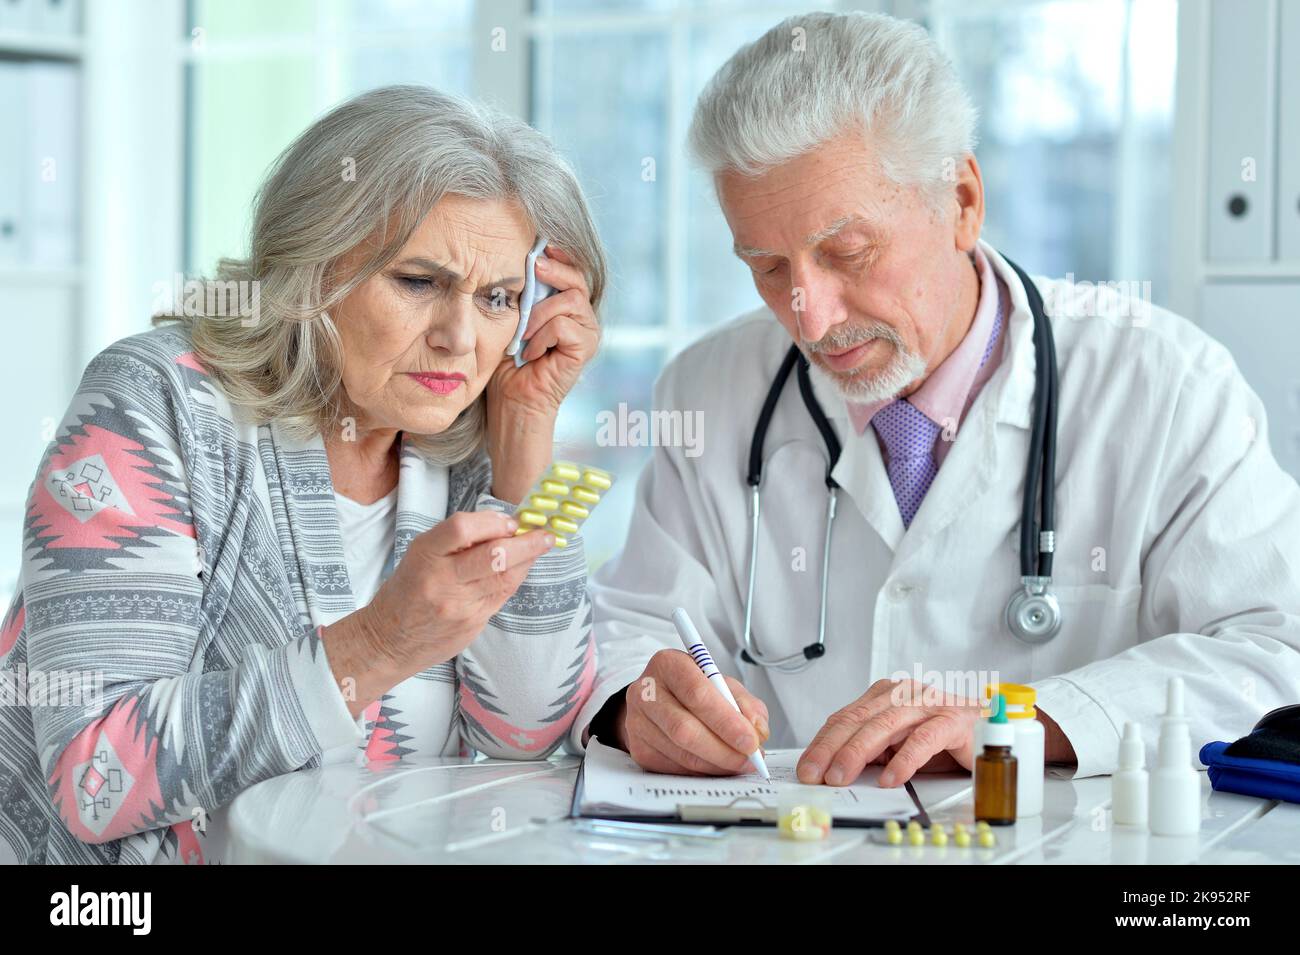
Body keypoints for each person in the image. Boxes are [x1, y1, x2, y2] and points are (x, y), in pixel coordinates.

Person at [573, 12, 1300, 792]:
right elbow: (634, 625)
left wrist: (1027, 718)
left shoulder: (1166, 385)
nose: (810, 318)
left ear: (961, 201)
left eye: (848, 252)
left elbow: (1274, 650)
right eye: (767, 266)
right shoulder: (709, 389)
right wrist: (639, 704)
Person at [0, 85, 605, 864]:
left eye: (499, 297)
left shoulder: (462, 445)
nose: (460, 337)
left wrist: (525, 438)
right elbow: (97, 779)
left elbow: (527, 732)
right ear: (314, 269)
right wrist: (374, 644)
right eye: (418, 281)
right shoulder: (155, 404)